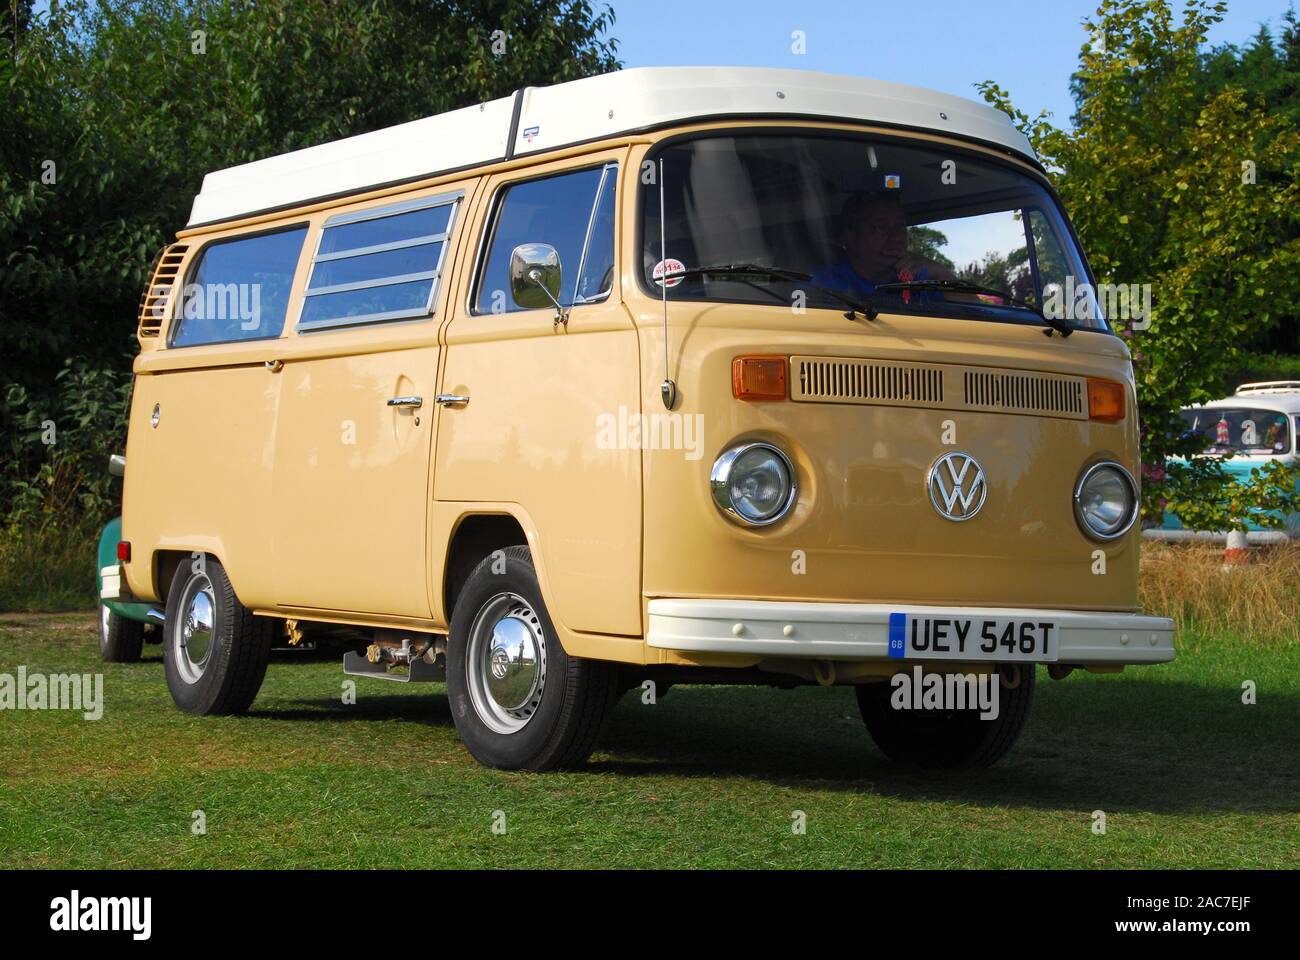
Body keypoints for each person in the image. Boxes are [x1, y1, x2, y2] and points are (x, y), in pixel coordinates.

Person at [812, 192, 956, 298]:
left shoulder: (920, 281)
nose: (897, 236)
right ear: (851, 236)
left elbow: (975, 318)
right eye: (881, 227)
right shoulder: (823, 284)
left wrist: (941, 273)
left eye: (900, 226)